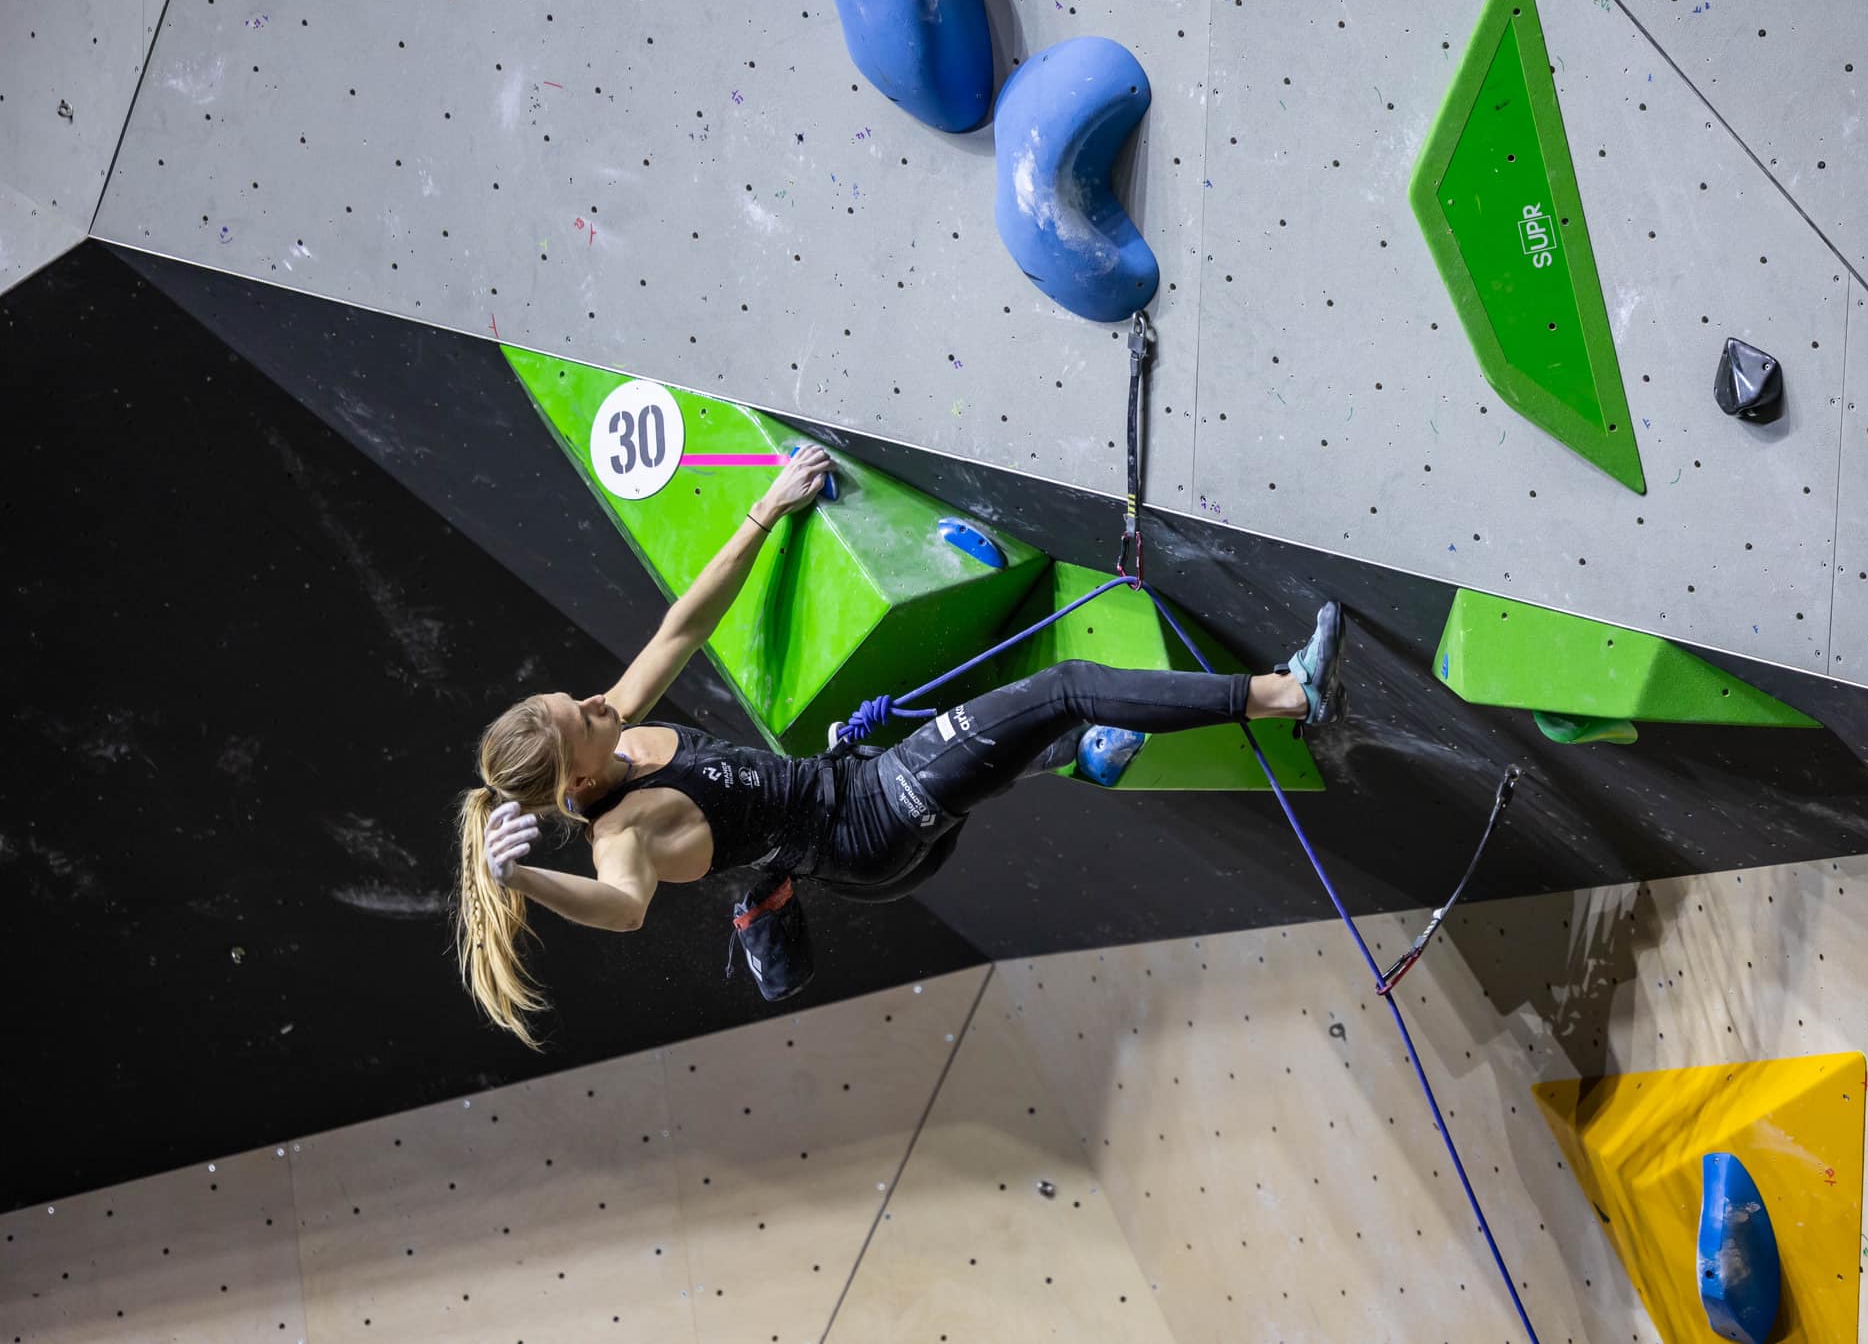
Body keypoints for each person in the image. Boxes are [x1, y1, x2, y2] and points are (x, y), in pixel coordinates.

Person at [453, 446, 1348, 1047]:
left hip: (858, 811)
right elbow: (622, 909)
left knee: (999, 738)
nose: (595, 701)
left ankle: (1080, 754)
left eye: (572, 699)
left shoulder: (611, 731)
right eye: (583, 718)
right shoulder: (623, 833)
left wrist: (766, 509)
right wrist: (521, 879)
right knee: (1061, 687)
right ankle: (1286, 695)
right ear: (577, 780)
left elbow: (681, 629)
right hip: (872, 822)